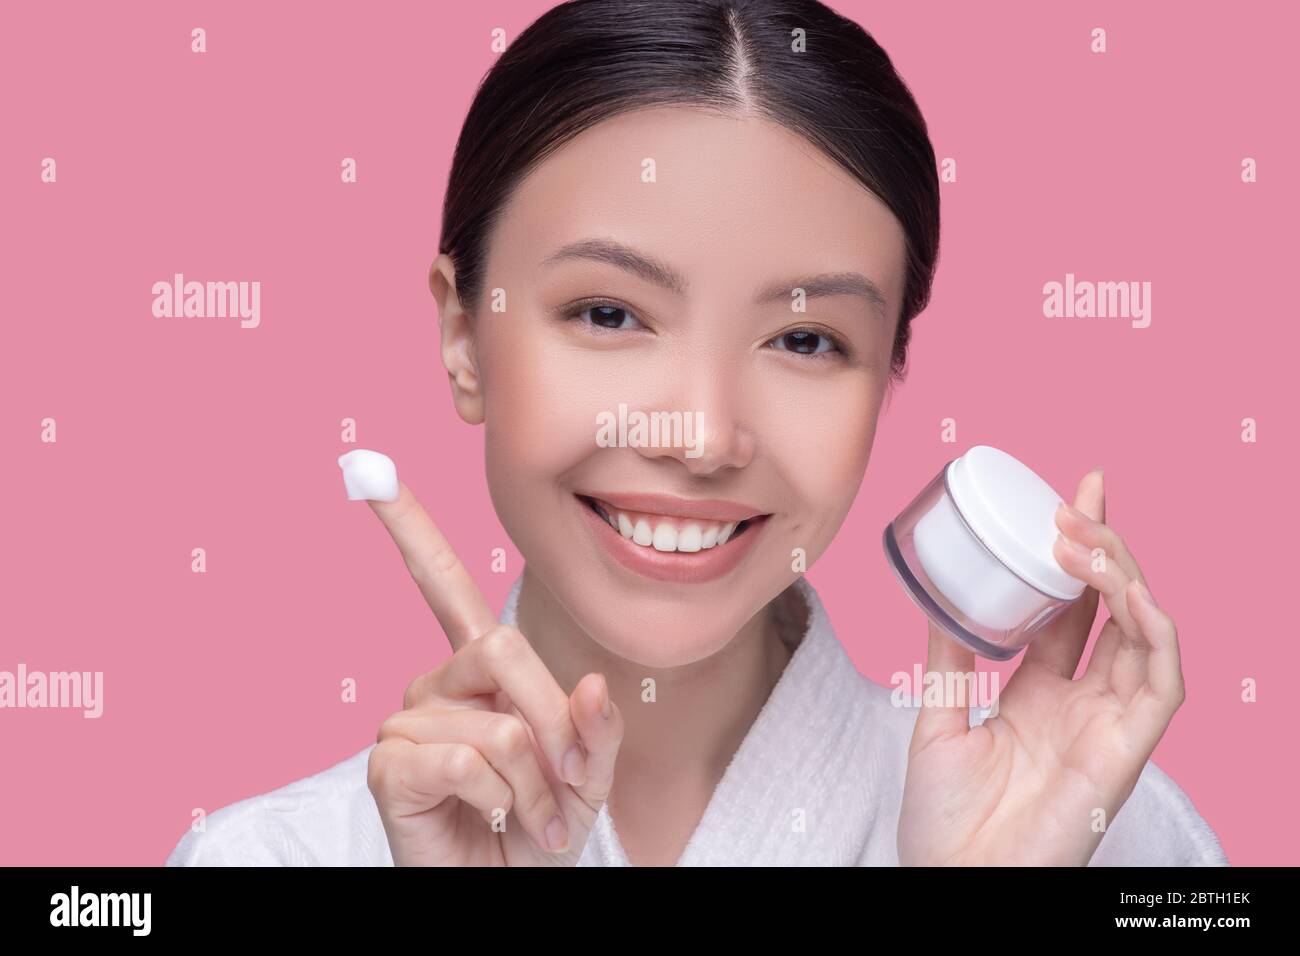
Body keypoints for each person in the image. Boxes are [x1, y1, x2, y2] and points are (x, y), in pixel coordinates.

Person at [166, 0, 1228, 867]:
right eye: (610, 313)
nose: (703, 433)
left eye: (805, 339)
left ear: (890, 374)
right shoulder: (269, 857)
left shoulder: (1106, 832)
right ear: (462, 333)